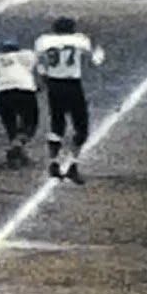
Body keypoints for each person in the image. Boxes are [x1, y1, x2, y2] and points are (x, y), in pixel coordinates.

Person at [33, 17, 106, 184]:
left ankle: (54, 162)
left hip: (54, 84)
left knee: (57, 124)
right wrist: (100, 51)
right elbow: (96, 60)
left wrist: (44, 78)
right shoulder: (79, 40)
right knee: (81, 126)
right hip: (73, 85)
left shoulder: (43, 41)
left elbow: (39, 64)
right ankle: (73, 165)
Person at [0, 39, 41, 168]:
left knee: (10, 126)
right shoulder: (27, 55)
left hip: (5, 93)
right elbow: (35, 68)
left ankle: (18, 153)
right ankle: (19, 147)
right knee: (30, 124)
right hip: (26, 92)